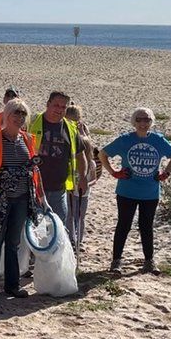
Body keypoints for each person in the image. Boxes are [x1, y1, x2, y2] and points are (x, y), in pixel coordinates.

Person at [99, 107, 171, 274]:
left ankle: (149, 261)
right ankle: (116, 262)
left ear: (151, 122)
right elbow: (103, 154)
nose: (143, 123)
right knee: (124, 225)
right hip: (127, 191)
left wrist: (166, 173)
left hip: (150, 192)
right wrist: (114, 172)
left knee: (146, 226)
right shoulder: (125, 140)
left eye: (147, 120)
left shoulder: (158, 140)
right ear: (134, 122)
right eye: (139, 120)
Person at [0, 98, 44, 299]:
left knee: (14, 242)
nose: (19, 117)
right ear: (6, 115)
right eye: (15, 113)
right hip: (0, 199)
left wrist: (40, 195)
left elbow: (34, 169)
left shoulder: (27, 139)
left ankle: (12, 285)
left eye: (23, 114)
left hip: (22, 199)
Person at [28, 92, 89, 224]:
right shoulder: (32, 123)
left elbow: (80, 155)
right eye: (56, 105)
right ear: (48, 104)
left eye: (63, 107)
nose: (59, 109)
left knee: (59, 229)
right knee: (33, 229)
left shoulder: (70, 128)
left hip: (59, 191)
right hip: (33, 188)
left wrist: (83, 177)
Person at [64, 104, 99, 251]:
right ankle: (71, 239)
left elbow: (94, 174)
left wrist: (88, 183)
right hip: (70, 189)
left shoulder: (84, 134)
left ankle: (79, 240)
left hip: (83, 192)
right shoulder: (65, 130)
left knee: (80, 216)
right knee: (70, 215)